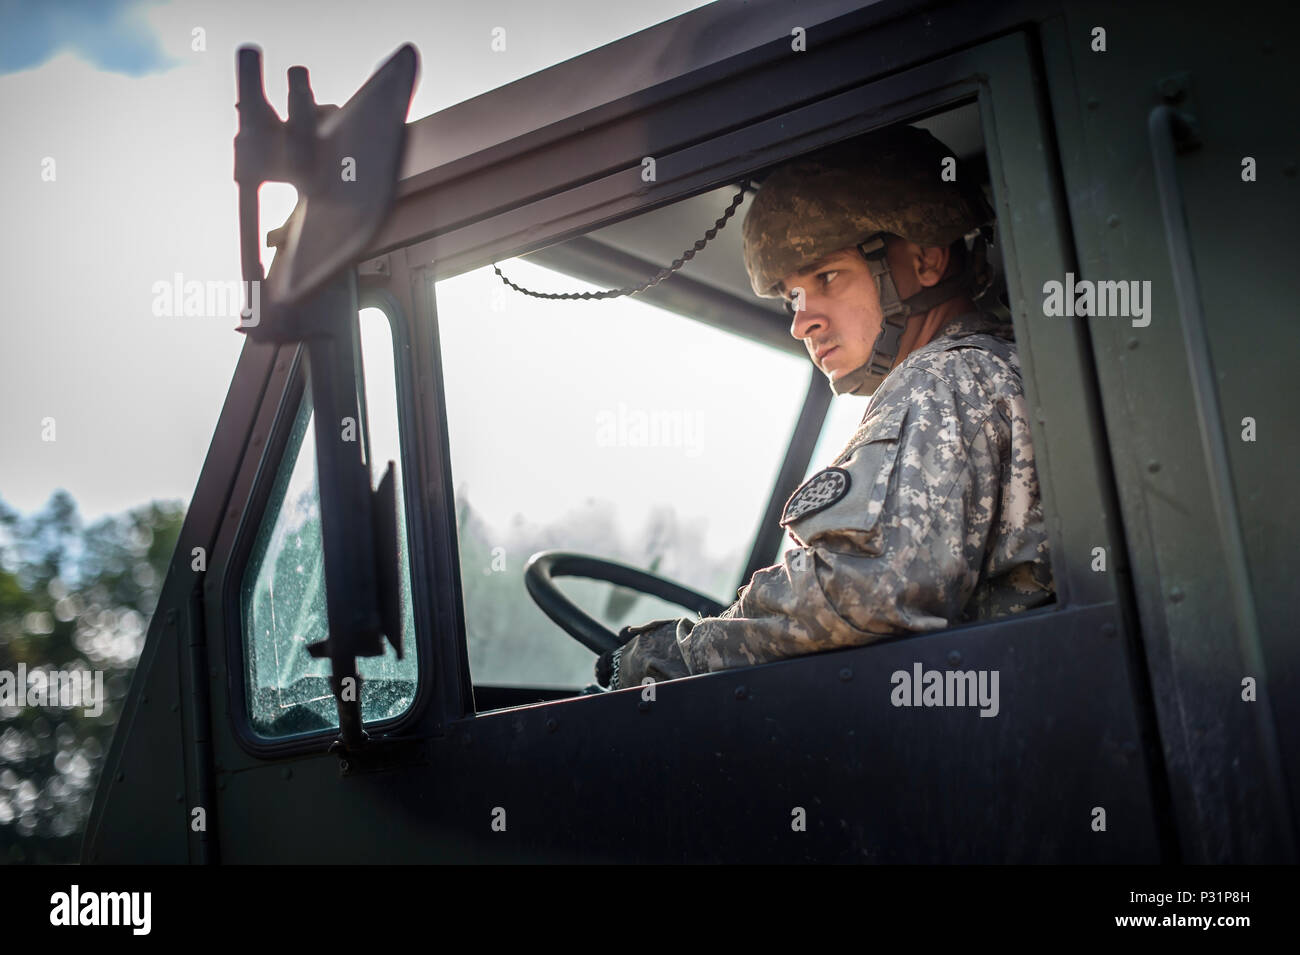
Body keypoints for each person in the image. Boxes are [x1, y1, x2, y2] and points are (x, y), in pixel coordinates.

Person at [595, 124, 1055, 691]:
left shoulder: (945, 376)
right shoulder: (992, 368)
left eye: (826, 276)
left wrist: (676, 656)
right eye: (793, 294)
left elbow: (865, 589)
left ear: (928, 260)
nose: (801, 320)